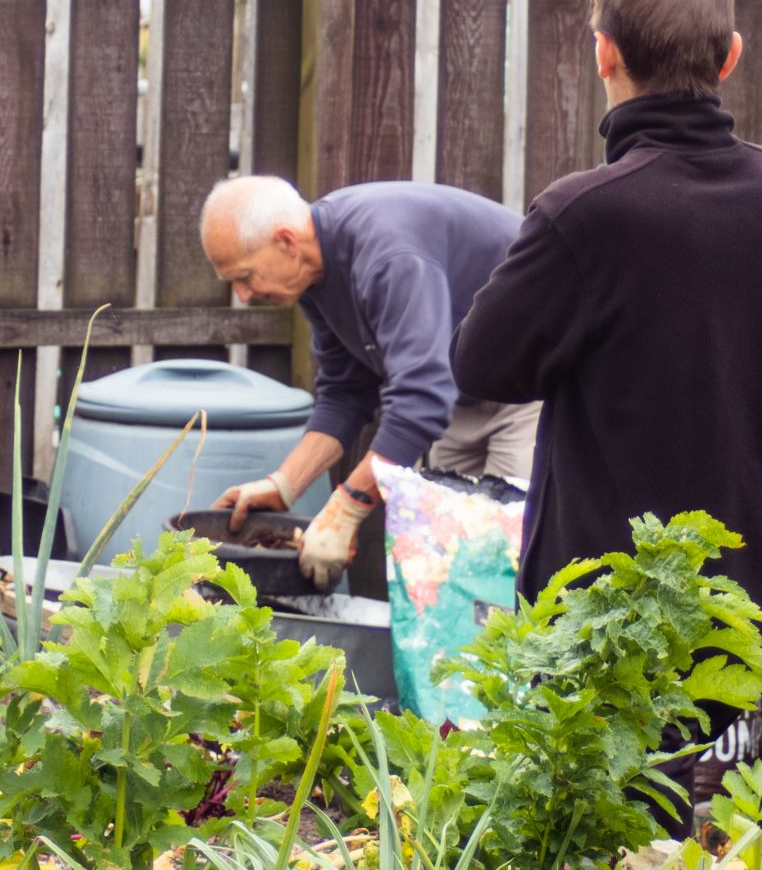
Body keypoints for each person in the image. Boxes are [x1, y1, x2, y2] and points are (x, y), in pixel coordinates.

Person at [451, 0, 762, 817]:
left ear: (603, 53)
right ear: (730, 56)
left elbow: (482, 361)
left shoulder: (587, 215)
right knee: (705, 858)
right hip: (737, 608)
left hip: (611, 618)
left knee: (601, 863)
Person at [201, 175, 539, 589]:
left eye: (245, 276)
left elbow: (421, 399)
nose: (242, 295)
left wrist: (347, 508)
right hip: (463, 397)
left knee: (505, 568)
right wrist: (282, 485)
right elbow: (346, 392)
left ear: (286, 241)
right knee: (451, 573)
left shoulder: (387, 253)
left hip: (535, 389)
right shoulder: (317, 274)